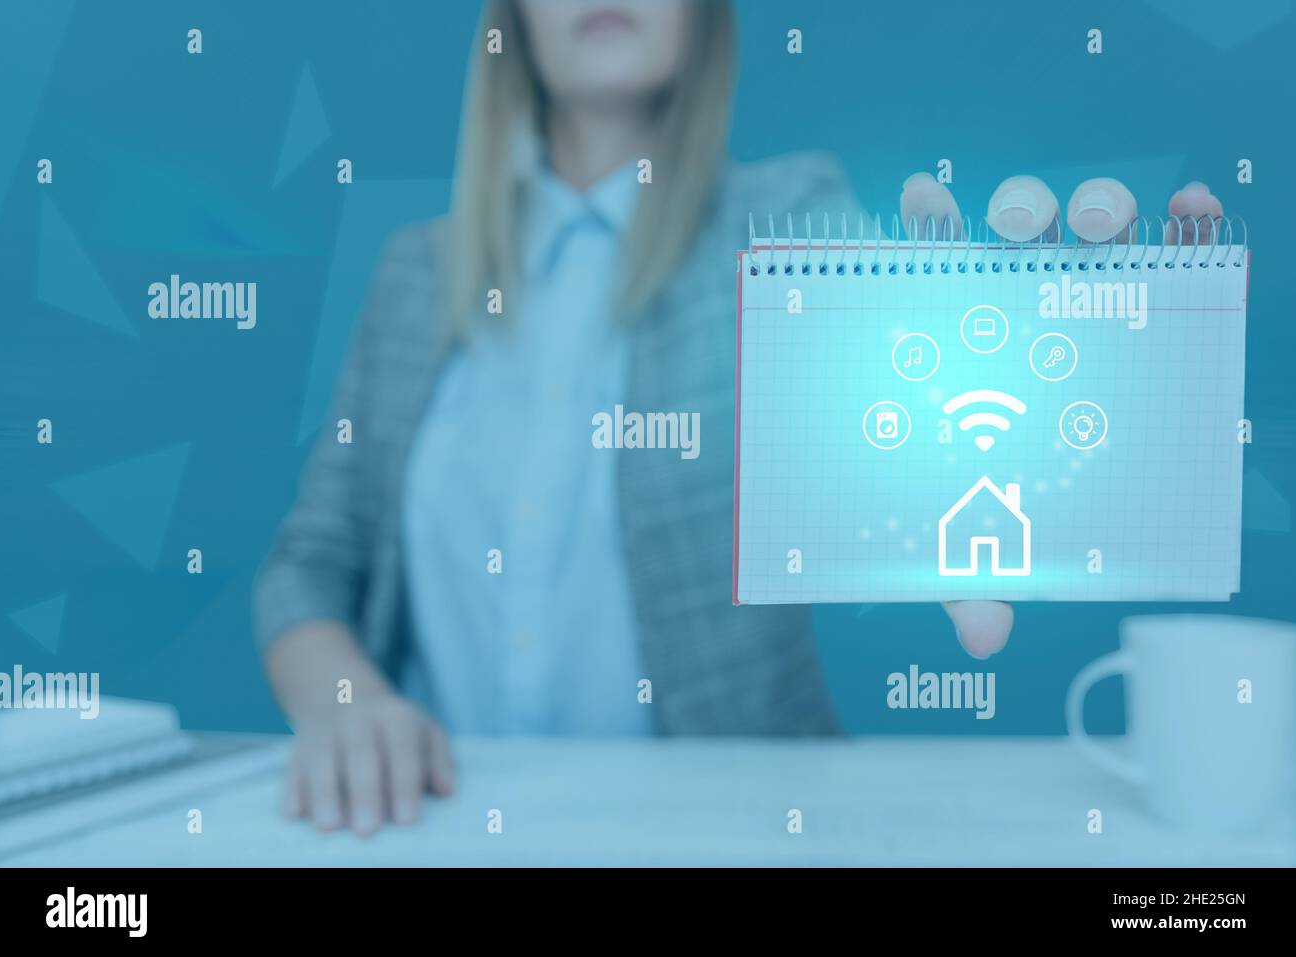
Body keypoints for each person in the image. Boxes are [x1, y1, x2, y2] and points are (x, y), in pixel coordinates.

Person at [254, 0, 1229, 834]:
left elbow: (901, 377)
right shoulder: (414, 273)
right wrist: (344, 698)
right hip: (438, 825)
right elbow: (310, 565)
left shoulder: (787, 223)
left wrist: (1028, 335)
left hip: (726, 832)